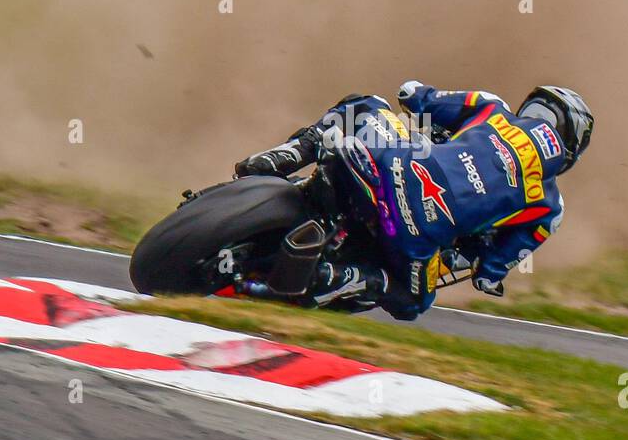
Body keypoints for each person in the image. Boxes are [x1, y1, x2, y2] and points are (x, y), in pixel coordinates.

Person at [236, 82, 593, 320]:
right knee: (412, 302)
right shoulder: (549, 208)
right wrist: (486, 272)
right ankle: (332, 277)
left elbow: (415, 95)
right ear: (572, 150)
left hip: (393, 165)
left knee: (367, 105)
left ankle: (288, 153)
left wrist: (427, 113)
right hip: (417, 233)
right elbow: (490, 272)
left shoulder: (492, 108)